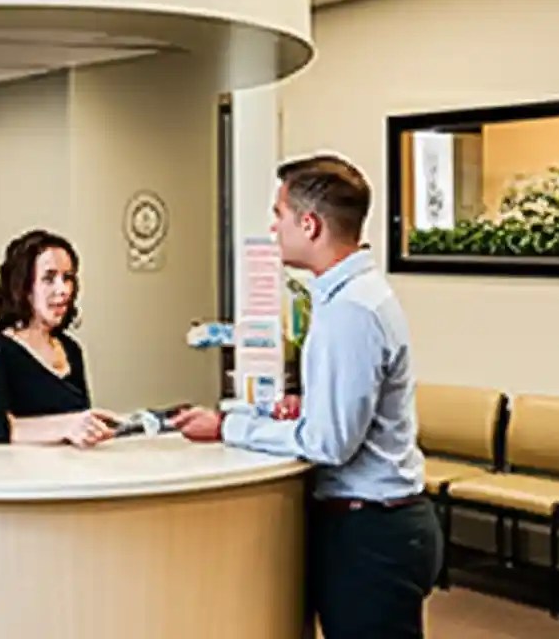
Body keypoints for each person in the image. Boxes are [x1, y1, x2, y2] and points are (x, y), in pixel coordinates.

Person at [171, 153, 441, 638]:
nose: (272, 228)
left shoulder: (351, 311)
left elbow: (330, 443)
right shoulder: (352, 297)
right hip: (376, 526)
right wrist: (311, 408)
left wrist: (228, 426)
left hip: (370, 533)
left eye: (279, 214)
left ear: (310, 224)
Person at [0, 229, 121, 448]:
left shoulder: (71, 349)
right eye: (49, 278)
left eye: (68, 278)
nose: (63, 290)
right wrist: (65, 426)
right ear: (24, 288)